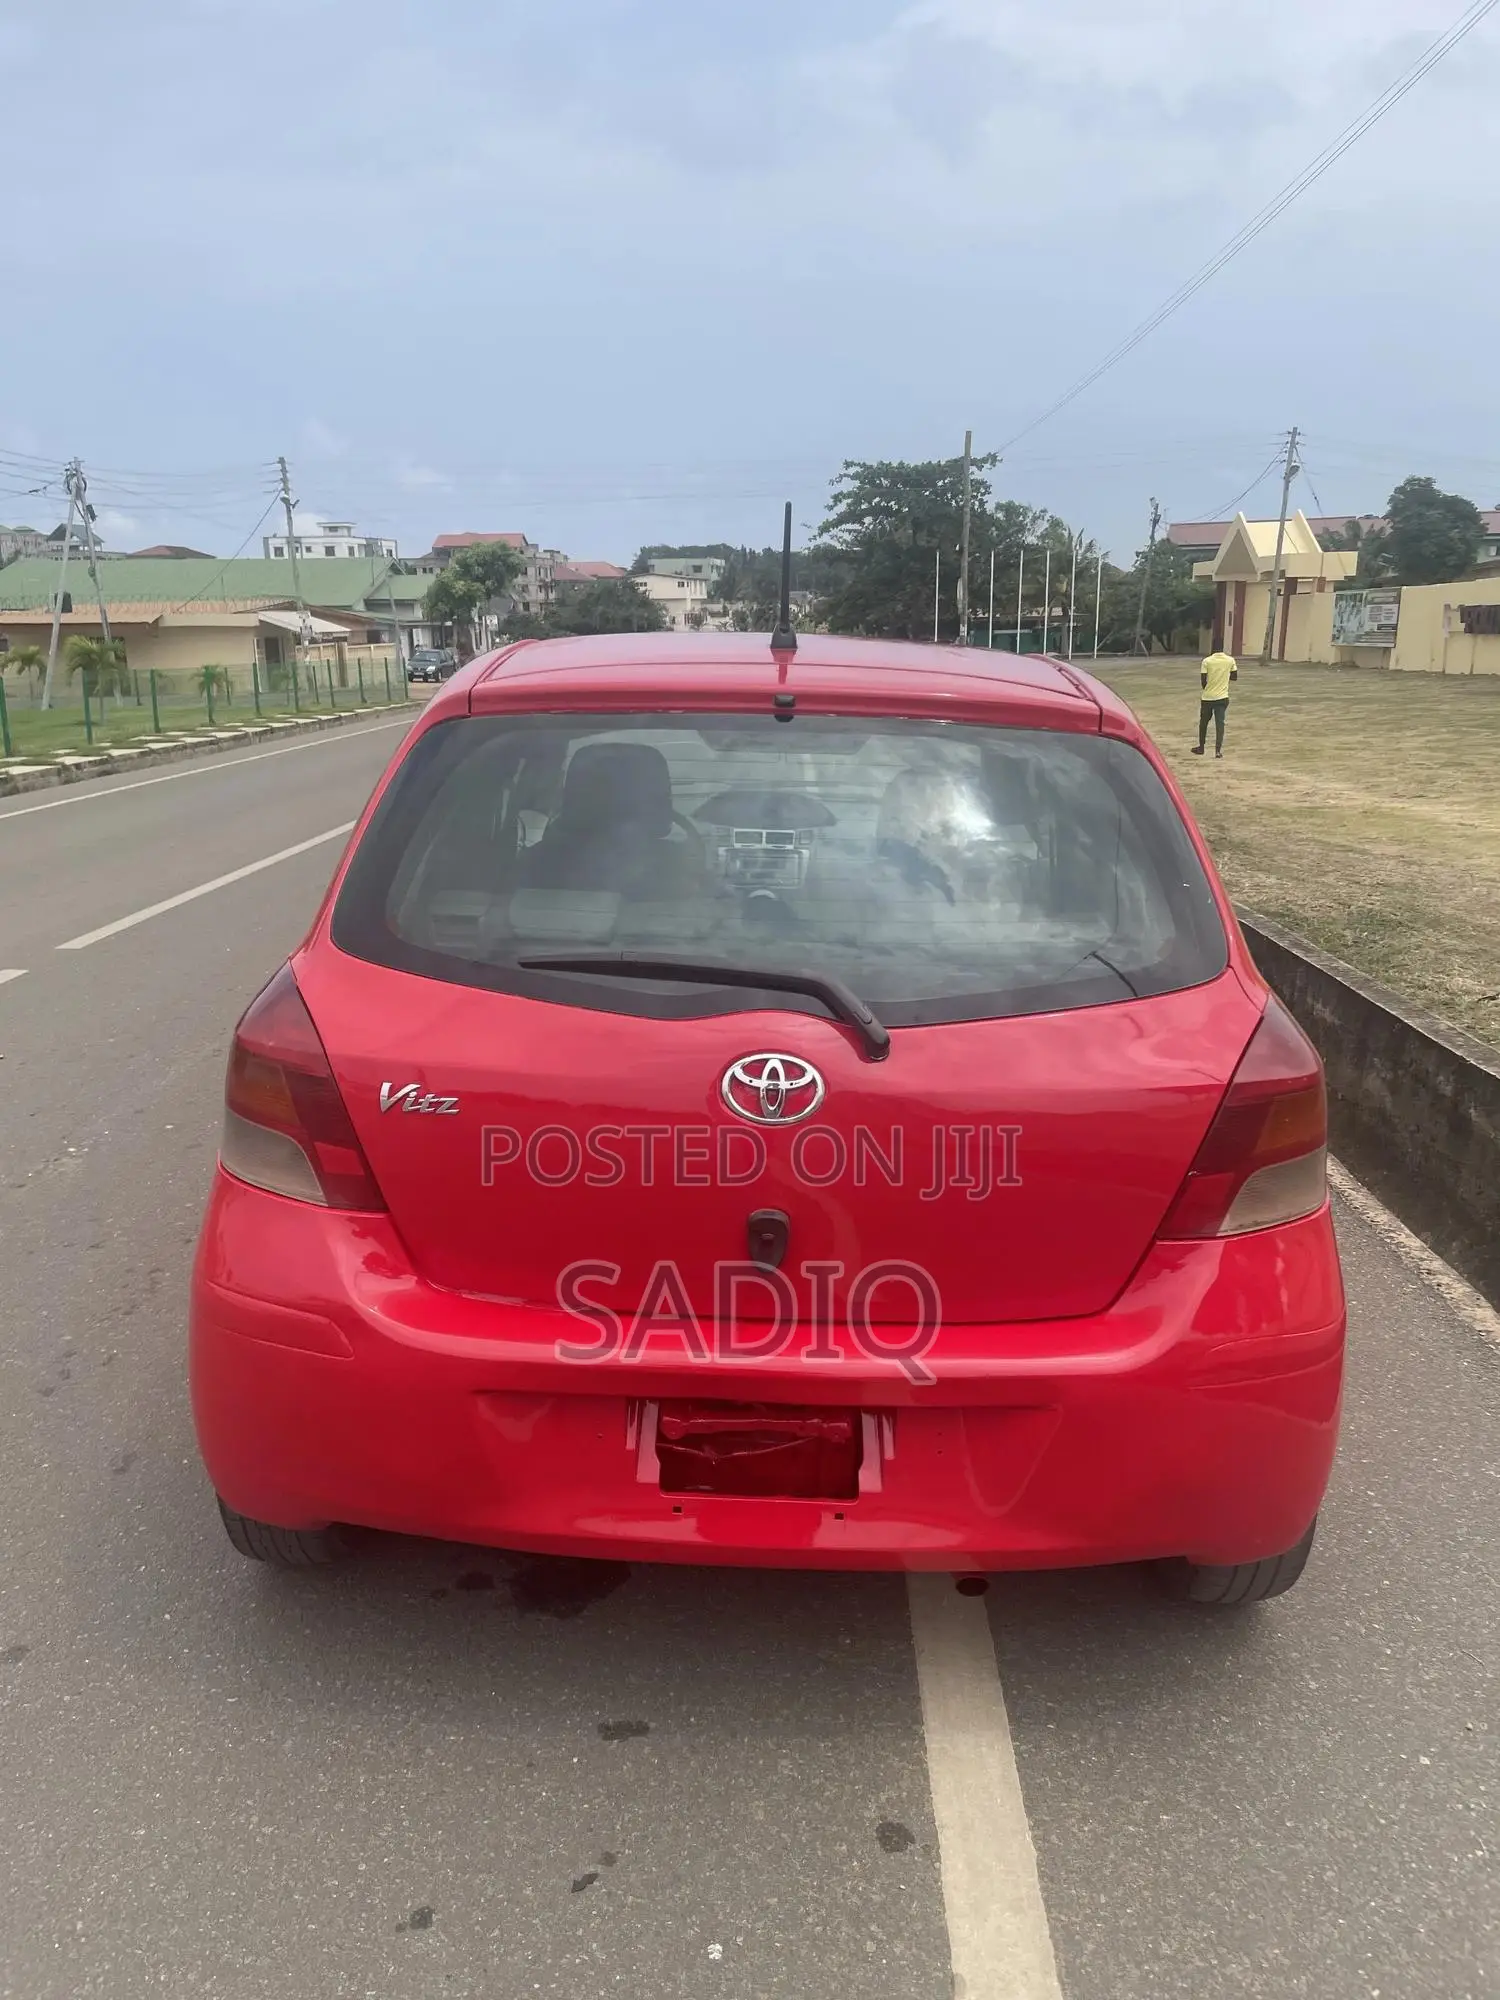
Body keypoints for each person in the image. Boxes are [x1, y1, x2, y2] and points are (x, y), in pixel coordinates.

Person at [1193, 647, 1238, 758]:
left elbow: (1203, 681)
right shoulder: (1230, 660)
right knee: (1220, 724)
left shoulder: (1206, 661)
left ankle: (1201, 747)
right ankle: (1218, 751)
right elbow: (1234, 677)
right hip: (1222, 697)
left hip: (1207, 697)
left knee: (1203, 723)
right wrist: (1223, 676)